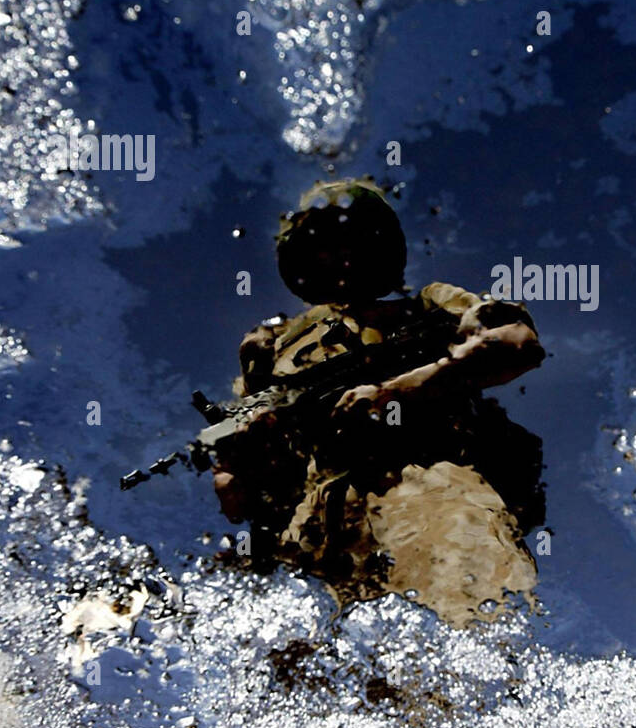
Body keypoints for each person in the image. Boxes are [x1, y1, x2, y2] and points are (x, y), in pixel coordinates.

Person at [208, 178, 546, 627]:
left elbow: (517, 342)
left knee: (469, 628)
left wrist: (401, 390)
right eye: (324, 244)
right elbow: (234, 495)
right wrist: (244, 459)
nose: (342, 255)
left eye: (356, 239)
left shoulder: (427, 307)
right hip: (313, 529)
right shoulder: (270, 345)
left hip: (428, 491)